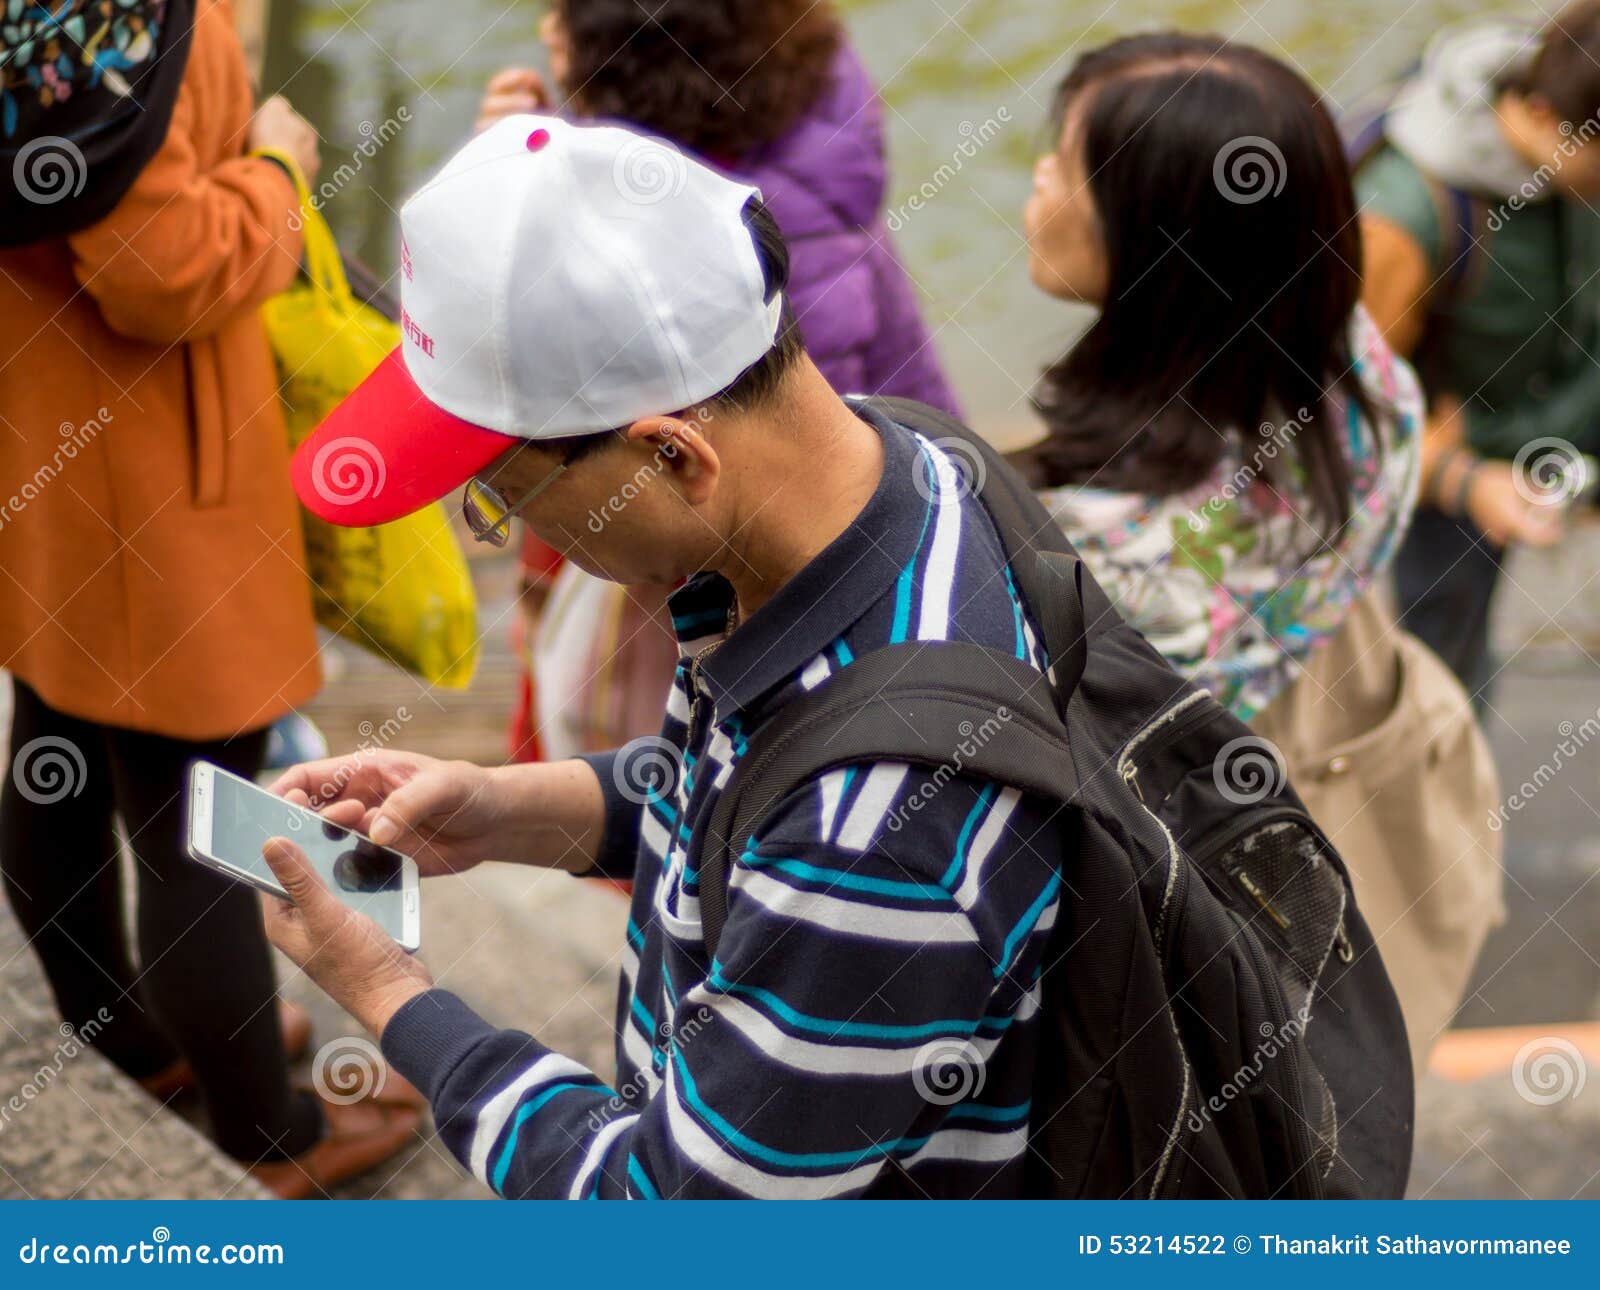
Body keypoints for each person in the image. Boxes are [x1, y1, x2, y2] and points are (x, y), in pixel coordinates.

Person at [261, 114, 1066, 1198]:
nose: (504, 533)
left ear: (671, 454)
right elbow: (745, 798)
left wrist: (389, 997)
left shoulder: (877, 827)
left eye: (501, 505)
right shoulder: (905, 464)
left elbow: (664, 1209)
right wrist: (513, 809)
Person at [1014, 31, 1502, 1073]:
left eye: (1064, 164)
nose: (1037, 183)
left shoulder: (1085, 549)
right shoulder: (1362, 378)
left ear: (1156, 246)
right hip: (1349, 765)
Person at [0, 0, 418, 1197]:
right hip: (151, 472)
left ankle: (128, 1037)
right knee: (200, 813)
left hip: (41, 441)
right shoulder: (139, 28)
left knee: (57, 740)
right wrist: (279, 161)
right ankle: (268, 1132)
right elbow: (162, 269)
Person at [476, 0, 961, 763]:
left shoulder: (731, 272)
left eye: (565, 23)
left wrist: (526, 192)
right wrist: (547, 159)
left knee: (663, 762)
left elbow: (747, 505)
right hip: (884, 469)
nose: (544, 34)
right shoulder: (818, 130)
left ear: (636, 66)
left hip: (703, 575)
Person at [1359, 2, 1600, 701]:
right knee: (1444, 669)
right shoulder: (1404, 220)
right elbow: (1348, 414)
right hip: (1465, 481)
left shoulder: (1566, 116)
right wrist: (1466, 480)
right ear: (1551, 122)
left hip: (1558, 416)